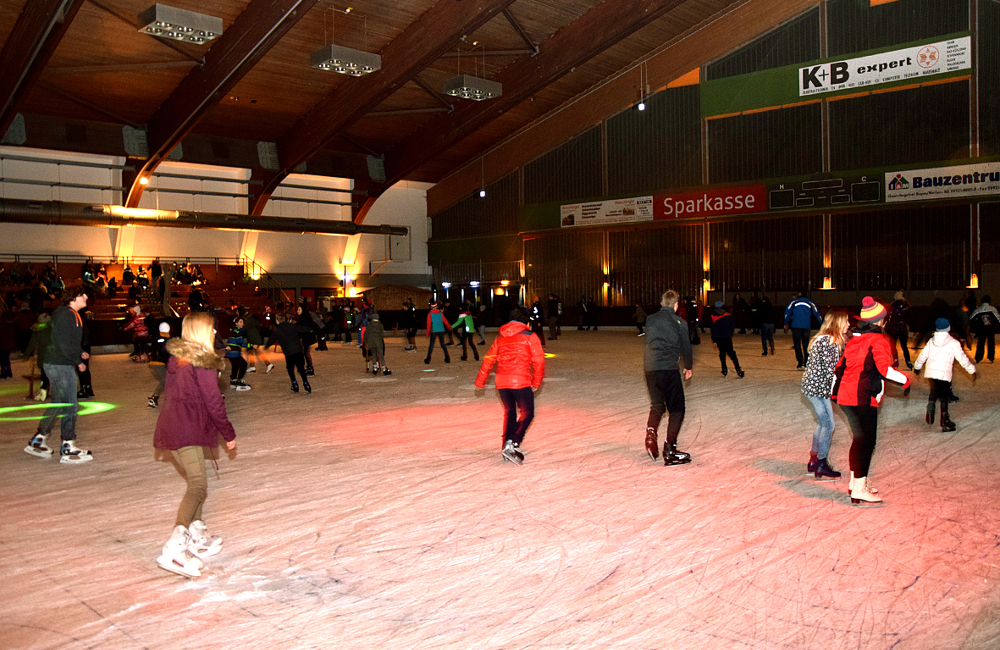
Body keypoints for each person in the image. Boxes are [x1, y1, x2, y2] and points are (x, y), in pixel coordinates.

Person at [153, 311, 237, 578]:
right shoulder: (203, 364)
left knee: (196, 480)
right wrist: (228, 433)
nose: (215, 332)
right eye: (211, 328)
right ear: (201, 331)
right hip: (185, 431)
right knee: (198, 484)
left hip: (175, 426)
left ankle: (196, 532)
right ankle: (174, 546)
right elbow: (214, 403)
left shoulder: (179, 360)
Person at [831, 297, 910, 506]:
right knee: (866, 441)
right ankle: (859, 487)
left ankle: (856, 482)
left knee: (860, 439)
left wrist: (835, 392)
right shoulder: (877, 340)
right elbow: (884, 369)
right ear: (879, 321)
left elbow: (839, 368)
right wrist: (905, 380)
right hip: (861, 396)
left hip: (845, 396)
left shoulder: (854, 340)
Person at [23, 287, 93, 464]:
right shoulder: (67, 315)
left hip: (57, 363)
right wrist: (77, 361)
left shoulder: (70, 314)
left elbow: (69, 340)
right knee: (70, 405)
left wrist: (80, 352)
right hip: (60, 365)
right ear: (74, 298)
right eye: (83, 294)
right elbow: (63, 343)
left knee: (59, 402)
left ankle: (39, 439)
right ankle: (68, 446)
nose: (86, 297)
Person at [474, 308, 545, 465]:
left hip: (502, 382)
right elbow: (539, 361)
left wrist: (480, 381)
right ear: (527, 322)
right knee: (527, 413)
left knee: (510, 412)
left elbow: (489, 359)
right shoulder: (530, 336)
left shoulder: (500, 337)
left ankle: (507, 445)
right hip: (520, 380)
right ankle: (512, 441)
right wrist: (536, 382)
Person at [642, 290, 693, 465]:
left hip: (650, 368)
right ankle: (670, 449)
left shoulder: (650, 319)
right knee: (677, 409)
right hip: (668, 369)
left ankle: (650, 434)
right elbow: (686, 346)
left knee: (657, 405)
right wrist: (688, 366)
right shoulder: (679, 322)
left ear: (661, 303)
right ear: (676, 305)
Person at [801, 309, 849, 480]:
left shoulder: (822, 339)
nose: (848, 325)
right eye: (846, 321)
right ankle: (821, 462)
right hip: (819, 389)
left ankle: (814, 459)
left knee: (823, 423)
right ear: (837, 323)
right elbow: (831, 371)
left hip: (813, 387)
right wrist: (839, 391)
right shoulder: (829, 342)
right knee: (828, 424)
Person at [913, 318, 976, 432]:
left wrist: (917, 367)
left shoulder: (931, 341)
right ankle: (944, 421)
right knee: (944, 396)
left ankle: (931, 405)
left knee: (934, 390)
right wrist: (972, 370)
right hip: (943, 374)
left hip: (931, 372)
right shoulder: (953, 343)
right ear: (949, 328)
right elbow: (962, 358)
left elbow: (923, 355)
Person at [267, 311, 312, 393]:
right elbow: (301, 328)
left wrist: (266, 346)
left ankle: (294, 383)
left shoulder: (278, 330)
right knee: (301, 368)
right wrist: (309, 329)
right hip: (298, 351)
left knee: (290, 368)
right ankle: (306, 383)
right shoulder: (291, 326)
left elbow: (271, 340)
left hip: (289, 353)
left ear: (277, 320)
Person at [784, 290, 822, 370]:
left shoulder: (793, 302)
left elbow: (787, 312)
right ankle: (807, 362)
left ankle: (800, 363)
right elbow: (817, 313)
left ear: (799, 293)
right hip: (806, 326)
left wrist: (786, 323)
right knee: (806, 344)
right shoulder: (810, 302)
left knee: (797, 344)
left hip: (796, 326)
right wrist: (822, 324)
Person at [709, 301, 744, 378]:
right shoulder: (727, 315)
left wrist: (714, 340)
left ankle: (724, 369)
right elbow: (732, 325)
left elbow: (713, 329)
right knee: (731, 353)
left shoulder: (713, 316)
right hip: (727, 337)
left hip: (719, 337)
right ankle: (738, 369)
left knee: (722, 352)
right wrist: (730, 333)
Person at [884, 290, 913, 369]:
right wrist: (910, 328)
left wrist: (887, 326)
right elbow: (911, 317)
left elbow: (889, 317)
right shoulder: (907, 305)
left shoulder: (893, 305)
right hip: (903, 327)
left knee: (893, 345)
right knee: (904, 346)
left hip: (894, 327)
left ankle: (895, 361)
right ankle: (908, 361)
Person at [147, 321, 172, 407]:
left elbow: (151, 350)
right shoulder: (168, 341)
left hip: (152, 363)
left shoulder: (155, 339)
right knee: (164, 380)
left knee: (167, 380)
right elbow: (167, 353)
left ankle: (169, 397)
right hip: (160, 364)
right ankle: (154, 397)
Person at [970, 296, 1000, 363]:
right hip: (991, 328)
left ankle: (978, 358)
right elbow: (998, 318)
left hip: (981, 329)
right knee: (991, 342)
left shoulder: (978, 310)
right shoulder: (992, 309)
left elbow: (971, 319)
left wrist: (975, 326)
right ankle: (991, 357)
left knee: (981, 343)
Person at [225, 316, 251, 391]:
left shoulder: (233, 330)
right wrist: (251, 345)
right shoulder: (238, 331)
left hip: (229, 353)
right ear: (236, 323)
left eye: (242, 322)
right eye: (240, 322)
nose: (242, 324)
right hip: (233, 353)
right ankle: (239, 380)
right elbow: (241, 343)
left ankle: (233, 380)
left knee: (235, 366)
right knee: (243, 364)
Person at [364, 310, 391, 375]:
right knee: (380, 354)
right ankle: (384, 367)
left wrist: (366, 341)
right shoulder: (380, 325)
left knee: (373, 353)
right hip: (378, 341)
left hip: (371, 341)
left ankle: (375, 367)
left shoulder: (369, 325)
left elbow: (366, 333)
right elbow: (382, 334)